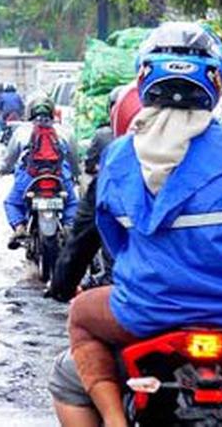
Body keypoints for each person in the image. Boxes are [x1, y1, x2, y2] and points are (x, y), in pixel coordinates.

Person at [51, 23, 222, 427]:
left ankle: (114, 419)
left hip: (145, 311)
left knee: (80, 316)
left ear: (144, 80)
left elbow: (113, 241)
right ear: (215, 83)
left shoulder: (118, 157)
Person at [45, 83, 141, 301]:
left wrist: (62, 287)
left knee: (80, 314)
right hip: (217, 302)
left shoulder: (114, 165)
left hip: (142, 298)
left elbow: (78, 246)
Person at [3, 94, 79, 247]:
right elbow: (73, 158)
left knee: (11, 203)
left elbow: (10, 157)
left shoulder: (21, 132)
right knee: (72, 202)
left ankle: (19, 227)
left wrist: (5, 169)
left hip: (30, 178)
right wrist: (76, 174)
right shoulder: (65, 131)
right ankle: (69, 225)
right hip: (58, 177)